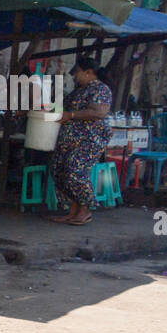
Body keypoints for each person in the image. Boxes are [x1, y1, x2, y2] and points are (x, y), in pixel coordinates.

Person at [50, 56, 113, 226]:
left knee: (74, 171)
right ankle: (72, 211)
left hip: (88, 140)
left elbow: (98, 112)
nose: (74, 76)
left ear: (88, 72)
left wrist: (71, 115)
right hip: (68, 140)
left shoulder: (100, 90)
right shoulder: (78, 90)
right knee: (58, 171)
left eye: (76, 72)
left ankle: (85, 210)